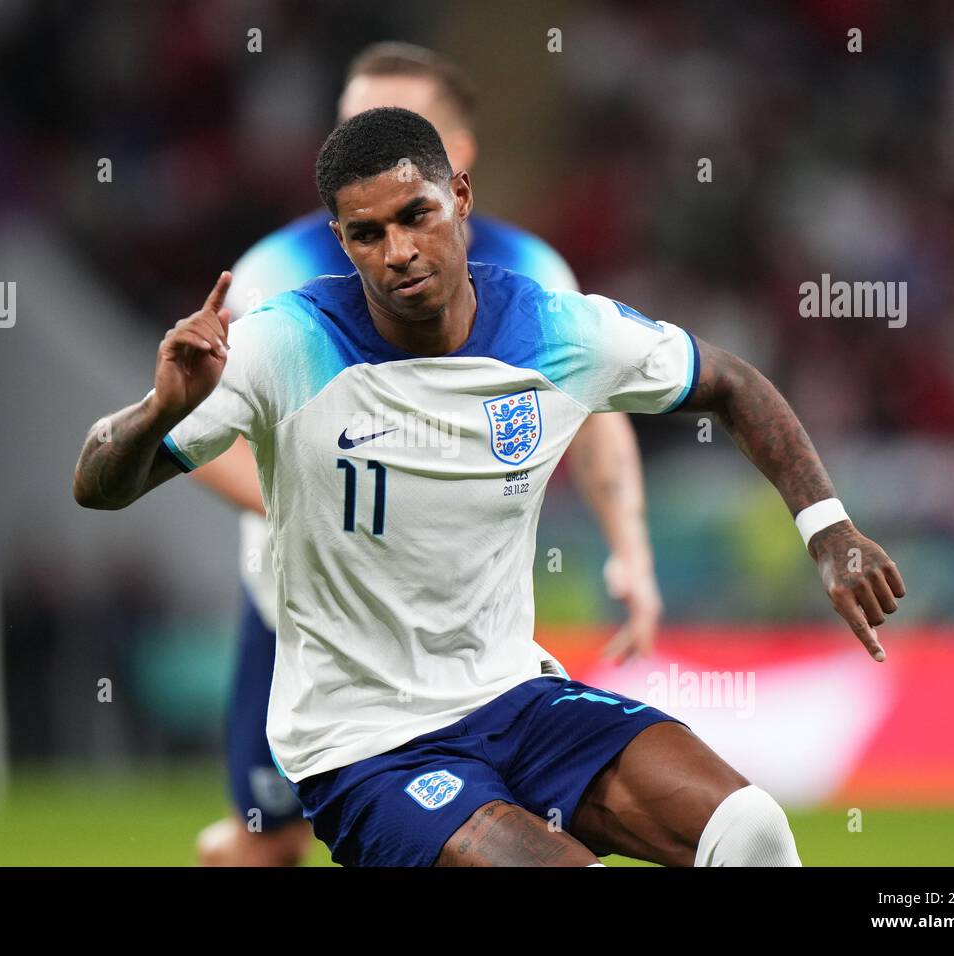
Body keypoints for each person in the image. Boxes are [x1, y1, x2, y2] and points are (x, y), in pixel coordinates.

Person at [73, 107, 906, 866]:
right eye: (366, 234)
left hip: (518, 697)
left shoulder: (554, 330)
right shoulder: (281, 345)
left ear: (459, 198)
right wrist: (158, 412)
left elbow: (728, 381)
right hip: (366, 742)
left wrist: (827, 529)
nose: (397, 251)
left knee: (751, 831)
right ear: (340, 240)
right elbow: (98, 484)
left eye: (415, 216)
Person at [187, 43, 661, 867]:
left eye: (406, 128)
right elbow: (199, 440)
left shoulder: (529, 271)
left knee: (478, 829)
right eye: (355, 127)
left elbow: (598, 407)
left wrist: (630, 548)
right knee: (269, 845)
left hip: (460, 624)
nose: (378, 145)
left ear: (459, 160)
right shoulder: (277, 273)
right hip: (307, 620)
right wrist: (329, 518)